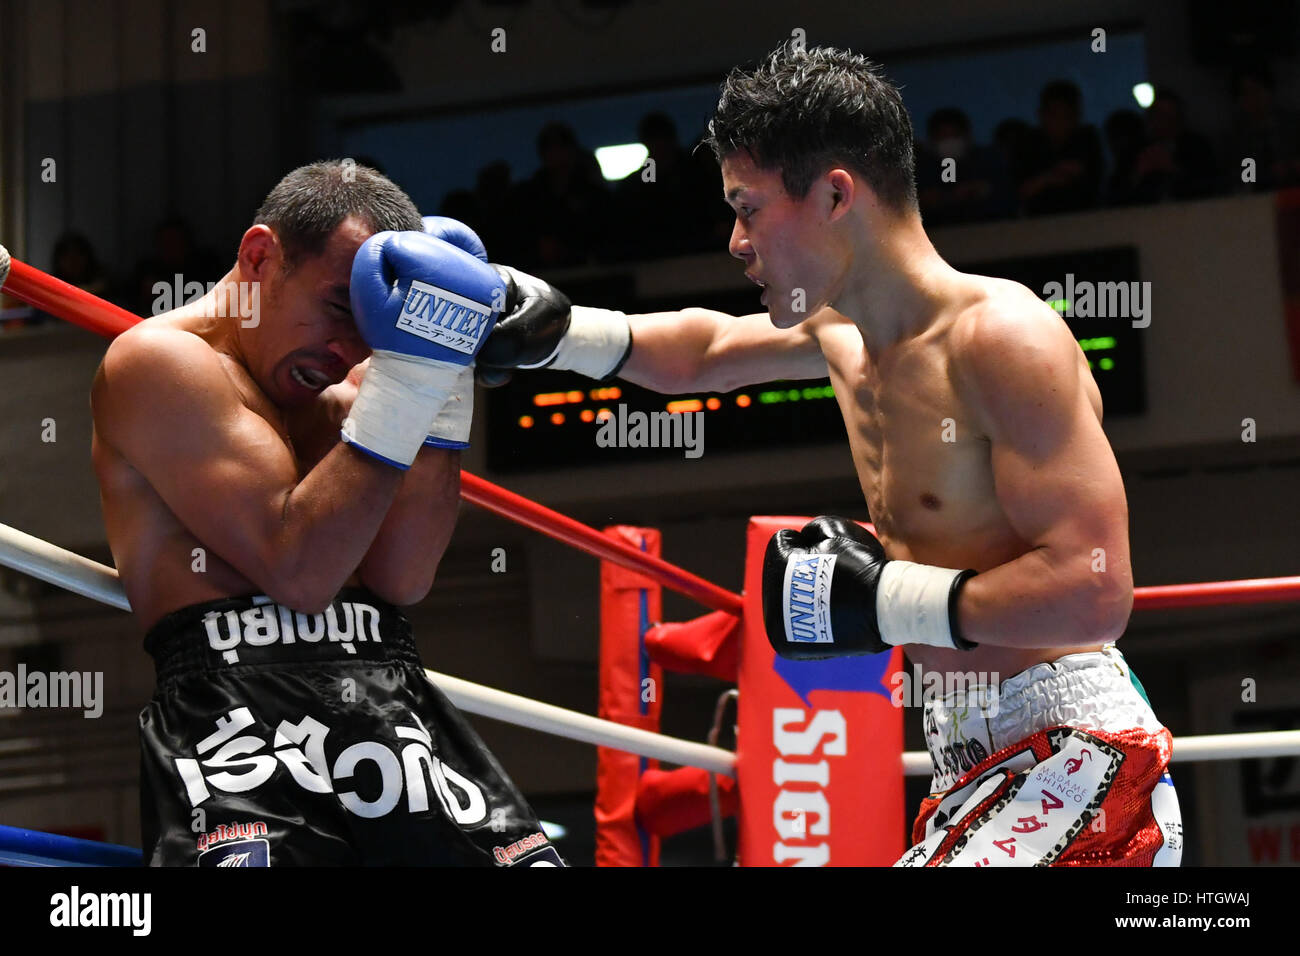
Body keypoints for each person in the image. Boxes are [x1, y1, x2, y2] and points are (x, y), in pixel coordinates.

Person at [476, 45, 1181, 867]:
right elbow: (700, 351)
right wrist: (555, 330)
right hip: (969, 761)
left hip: (1078, 754)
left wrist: (886, 601)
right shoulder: (840, 331)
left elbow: (1096, 591)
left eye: (749, 207)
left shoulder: (999, 339)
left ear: (835, 193)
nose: (737, 241)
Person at [90, 160, 562, 867]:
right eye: (341, 308)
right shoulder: (158, 362)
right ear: (260, 256)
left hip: (393, 706)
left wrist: (446, 378)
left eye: (374, 329)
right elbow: (301, 571)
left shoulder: (351, 396)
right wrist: (409, 380)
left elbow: (404, 578)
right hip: (240, 727)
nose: (350, 352)